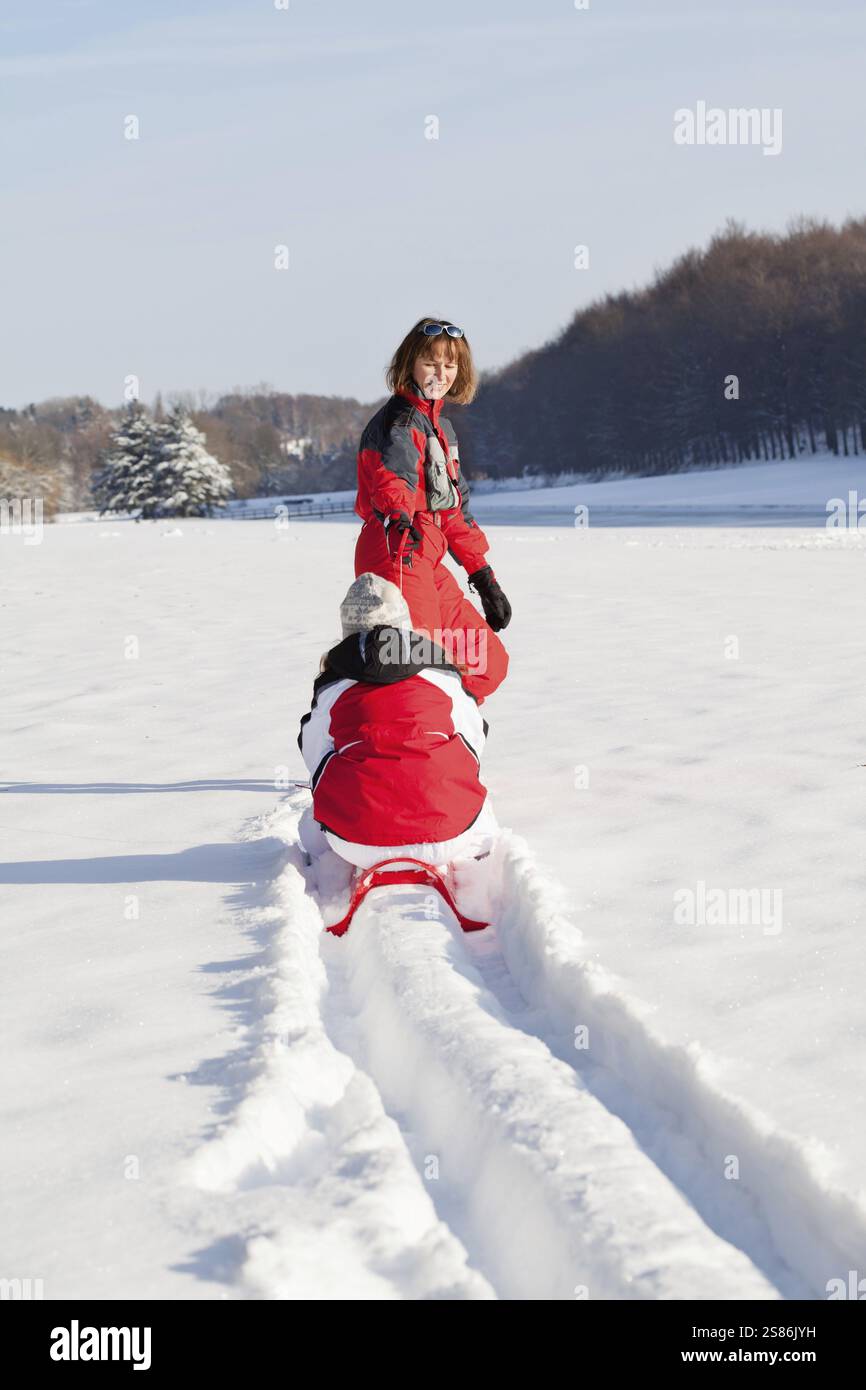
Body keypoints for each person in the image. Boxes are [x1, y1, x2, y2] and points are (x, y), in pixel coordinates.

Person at [353, 316, 511, 705]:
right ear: (410, 363)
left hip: (428, 555)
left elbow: (453, 512)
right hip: (398, 549)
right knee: (414, 662)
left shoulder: (441, 429)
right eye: (431, 362)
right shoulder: (400, 422)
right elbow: (394, 480)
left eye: (450, 365)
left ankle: (446, 735)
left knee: (484, 659)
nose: (440, 373)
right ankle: (400, 750)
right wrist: (399, 519)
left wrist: (483, 575)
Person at [297, 572, 498, 869]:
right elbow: (474, 738)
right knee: (477, 795)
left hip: (355, 843)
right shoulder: (440, 673)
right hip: (448, 836)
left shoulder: (334, 684)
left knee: (311, 823)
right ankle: (478, 856)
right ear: (404, 625)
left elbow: (313, 752)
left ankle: (326, 864)